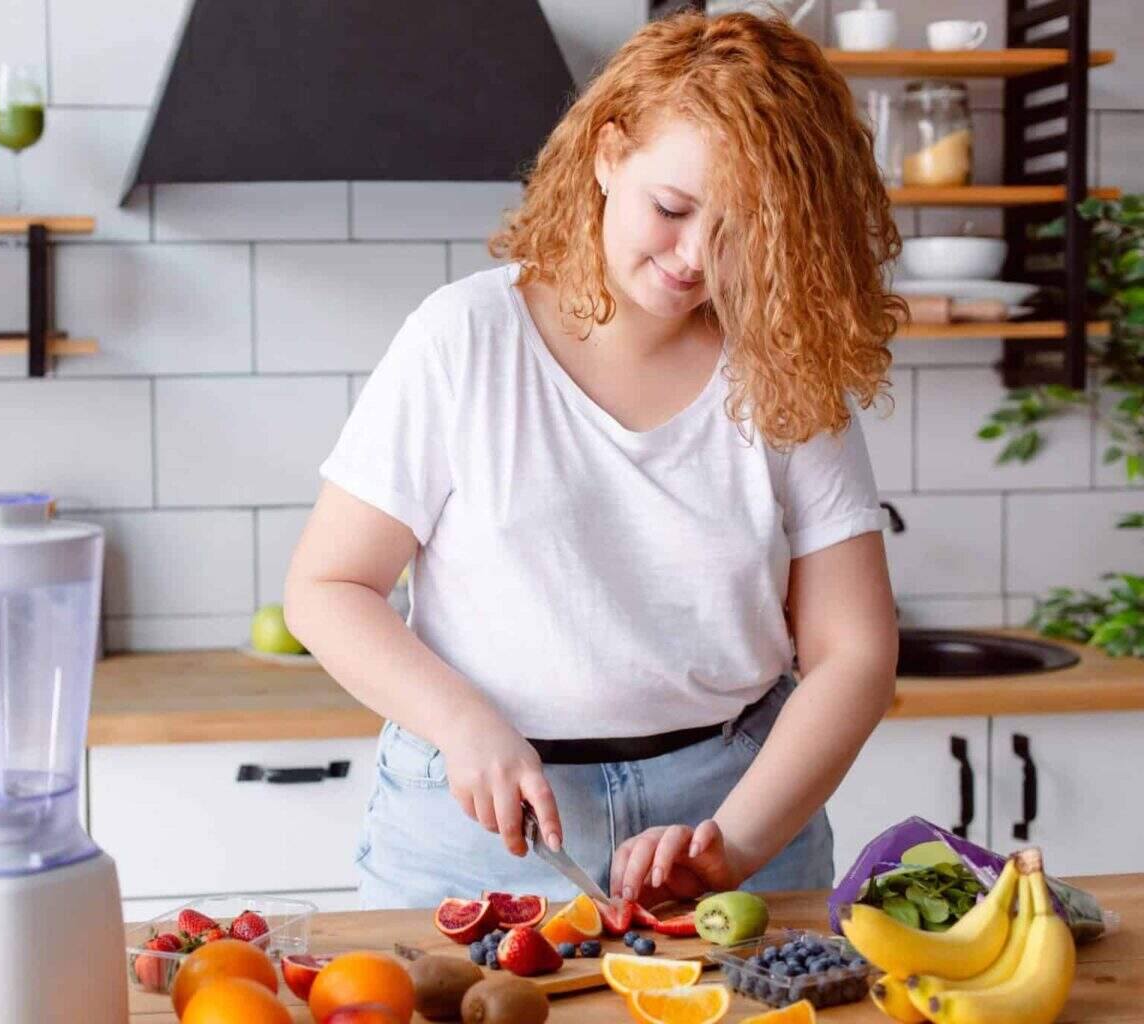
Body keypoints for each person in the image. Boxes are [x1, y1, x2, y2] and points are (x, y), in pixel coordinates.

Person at [283, 10, 901, 911]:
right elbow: (326, 587)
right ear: (610, 155)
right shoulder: (466, 339)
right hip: (484, 819)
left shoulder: (785, 364)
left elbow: (855, 654)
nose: (695, 258)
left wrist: (735, 843)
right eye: (673, 209)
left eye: (740, 232)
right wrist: (463, 722)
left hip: (735, 808)